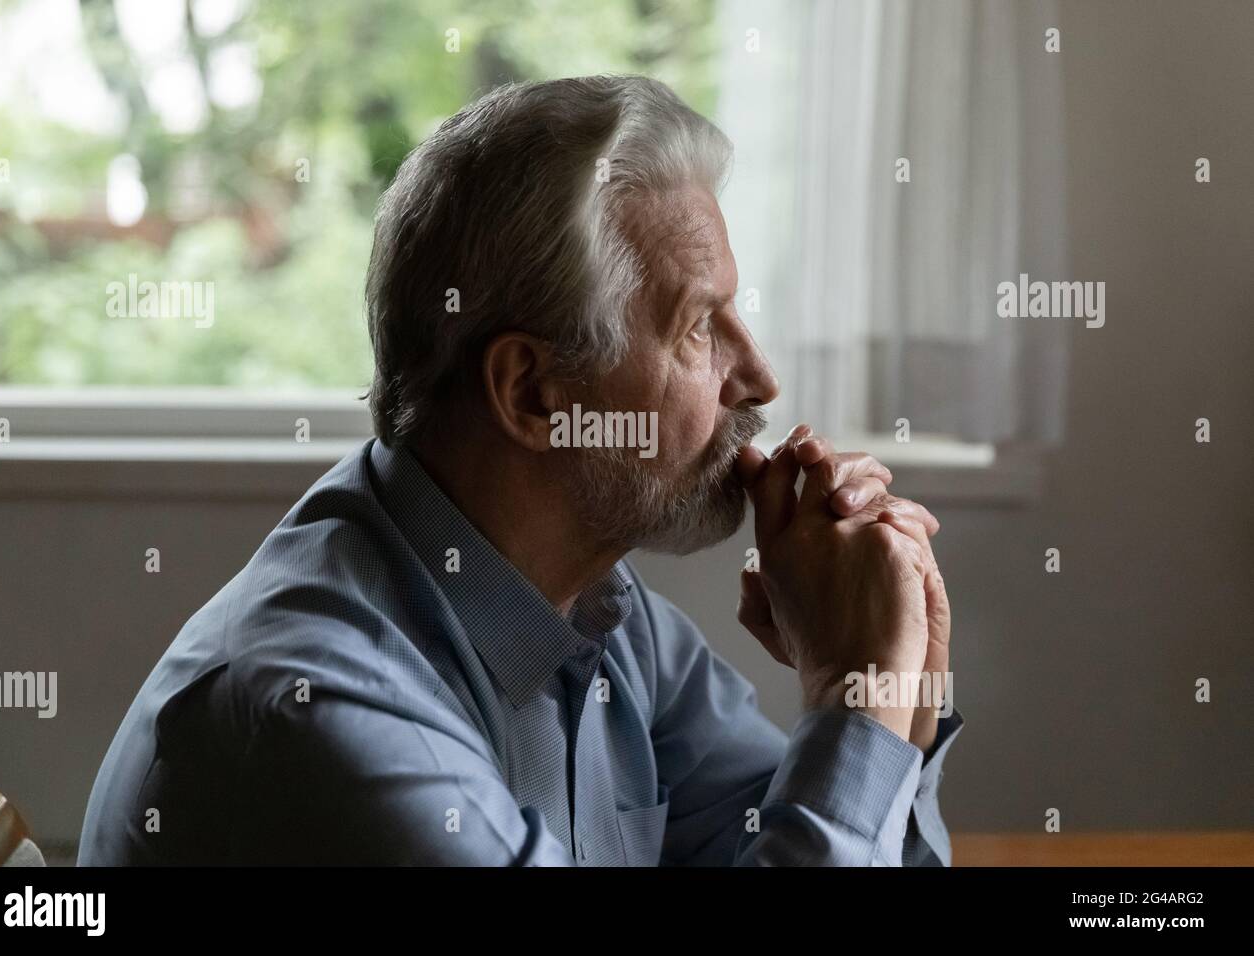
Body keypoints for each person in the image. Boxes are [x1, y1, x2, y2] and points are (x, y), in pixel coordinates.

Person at [78, 75, 962, 866]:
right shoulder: (321, 715)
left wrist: (900, 697)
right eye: (699, 327)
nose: (759, 378)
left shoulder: (608, 622)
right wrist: (855, 704)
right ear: (534, 394)